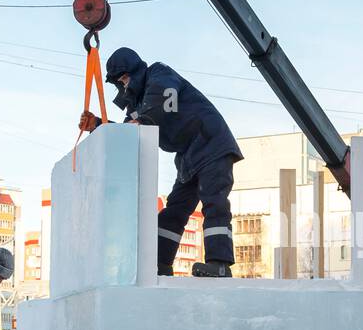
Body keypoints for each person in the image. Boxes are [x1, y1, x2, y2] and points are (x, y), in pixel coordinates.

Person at [81, 47, 243, 277]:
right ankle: (159, 265)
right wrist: (97, 125)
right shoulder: (137, 106)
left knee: (214, 200)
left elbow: (161, 101)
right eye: (120, 82)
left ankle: (219, 264)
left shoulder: (159, 74)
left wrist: (141, 121)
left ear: (135, 71)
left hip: (211, 143)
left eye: (125, 78)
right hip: (189, 156)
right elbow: (127, 134)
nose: (124, 85)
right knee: (174, 211)